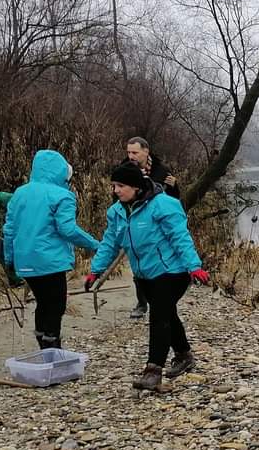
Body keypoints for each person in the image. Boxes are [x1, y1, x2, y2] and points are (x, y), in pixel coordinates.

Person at [87, 162, 209, 391]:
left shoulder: (164, 205)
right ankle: (184, 355)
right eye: (114, 185)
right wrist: (95, 270)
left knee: (159, 316)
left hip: (173, 272)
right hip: (144, 274)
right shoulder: (116, 212)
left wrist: (194, 267)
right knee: (167, 314)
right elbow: (109, 243)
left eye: (120, 186)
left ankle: (153, 371)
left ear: (136, 187)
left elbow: (180, 237)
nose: (116, 190)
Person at [3, 150, 100, 350]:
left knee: (42, 303)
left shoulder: (20, 193)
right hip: (50, 261)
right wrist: (94, 244)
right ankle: (52, 348)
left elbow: (9, 229)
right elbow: (67, 229)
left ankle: (43, 343)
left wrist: (9, 259)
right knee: (56, 305)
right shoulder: (63, 196)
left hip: (25, 261)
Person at [124, 137, 180, 320]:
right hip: (135, 222)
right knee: (137, 266)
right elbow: (117, 195)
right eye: (129, 152)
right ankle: (142, 303)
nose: (131, 156)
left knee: (156, 266)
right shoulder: (125, 169)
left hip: (157, 227)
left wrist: (174, 186)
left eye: (135, 152)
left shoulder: (161, 171)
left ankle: (159, 301)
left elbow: (173, 200)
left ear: (146, 151)